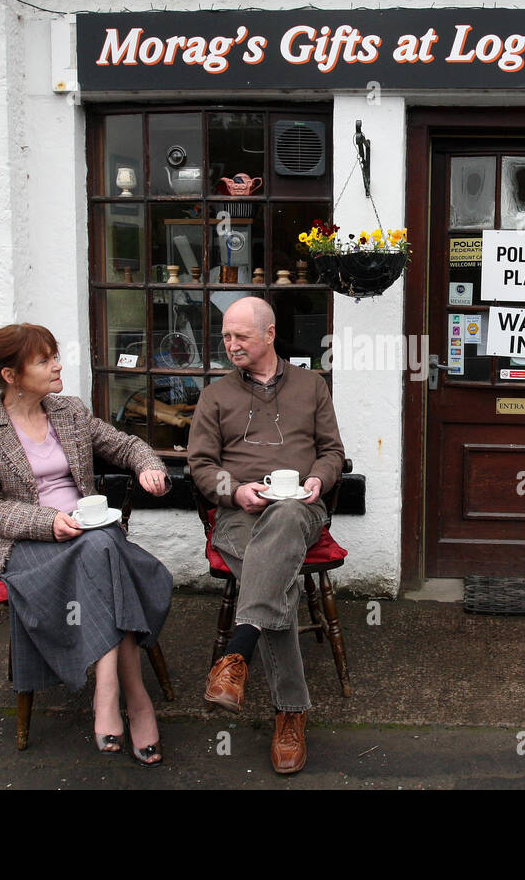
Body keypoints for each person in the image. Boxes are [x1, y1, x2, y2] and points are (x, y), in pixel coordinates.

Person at [0, 323, 172, 766]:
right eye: (44, 359)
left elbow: (125, 444)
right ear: (11, 375)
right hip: (28, 547)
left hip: (89, 536)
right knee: (107, 550)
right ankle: (136, 699)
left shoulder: (69, 411)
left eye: (55, 355)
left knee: (101, 547)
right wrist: (47, 521)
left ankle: (107, 689)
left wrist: (149, 466)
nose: (57, 365)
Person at [187, 297, 345, 775]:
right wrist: (234, 491)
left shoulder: (311, 385)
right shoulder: (215, 395)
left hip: (300, 509)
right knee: (283, 583)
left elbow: (332, 452)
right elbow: (200, 467)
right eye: (226, 336)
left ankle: (237, 652)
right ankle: (290, 714)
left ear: (270, 335)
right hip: (240, 516)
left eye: (241, 337)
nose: (230, 345)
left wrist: (320, 478)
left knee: (288, 516)